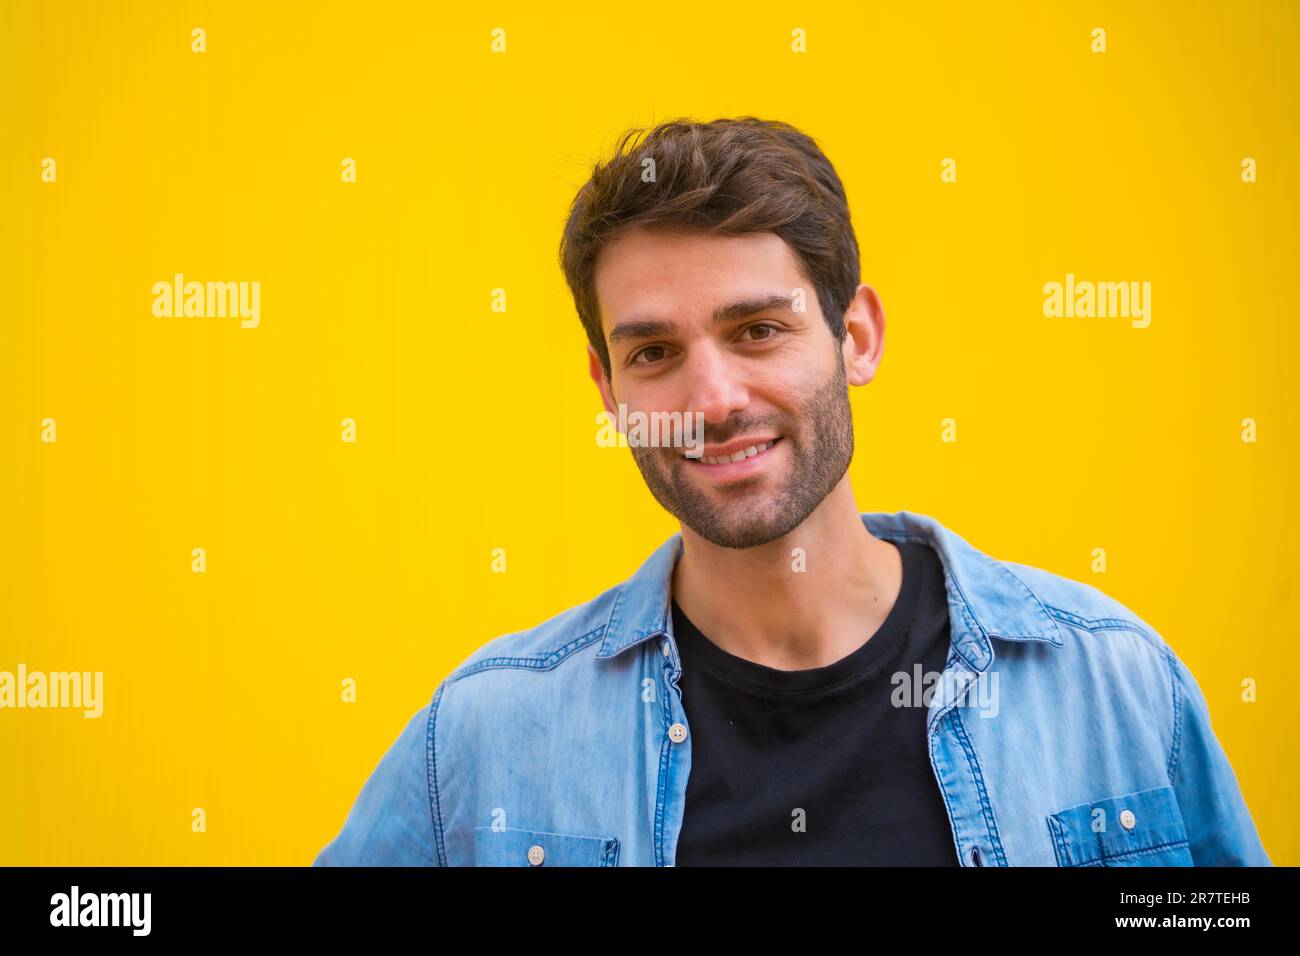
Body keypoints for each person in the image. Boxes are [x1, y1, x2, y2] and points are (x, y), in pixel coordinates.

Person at [314, 117, 1270, 866]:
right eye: (654, 353)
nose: (715, 400)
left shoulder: (1109, 684)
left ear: (857, 337)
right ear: (609, 391)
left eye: (758, 330)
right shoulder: (488, 736)